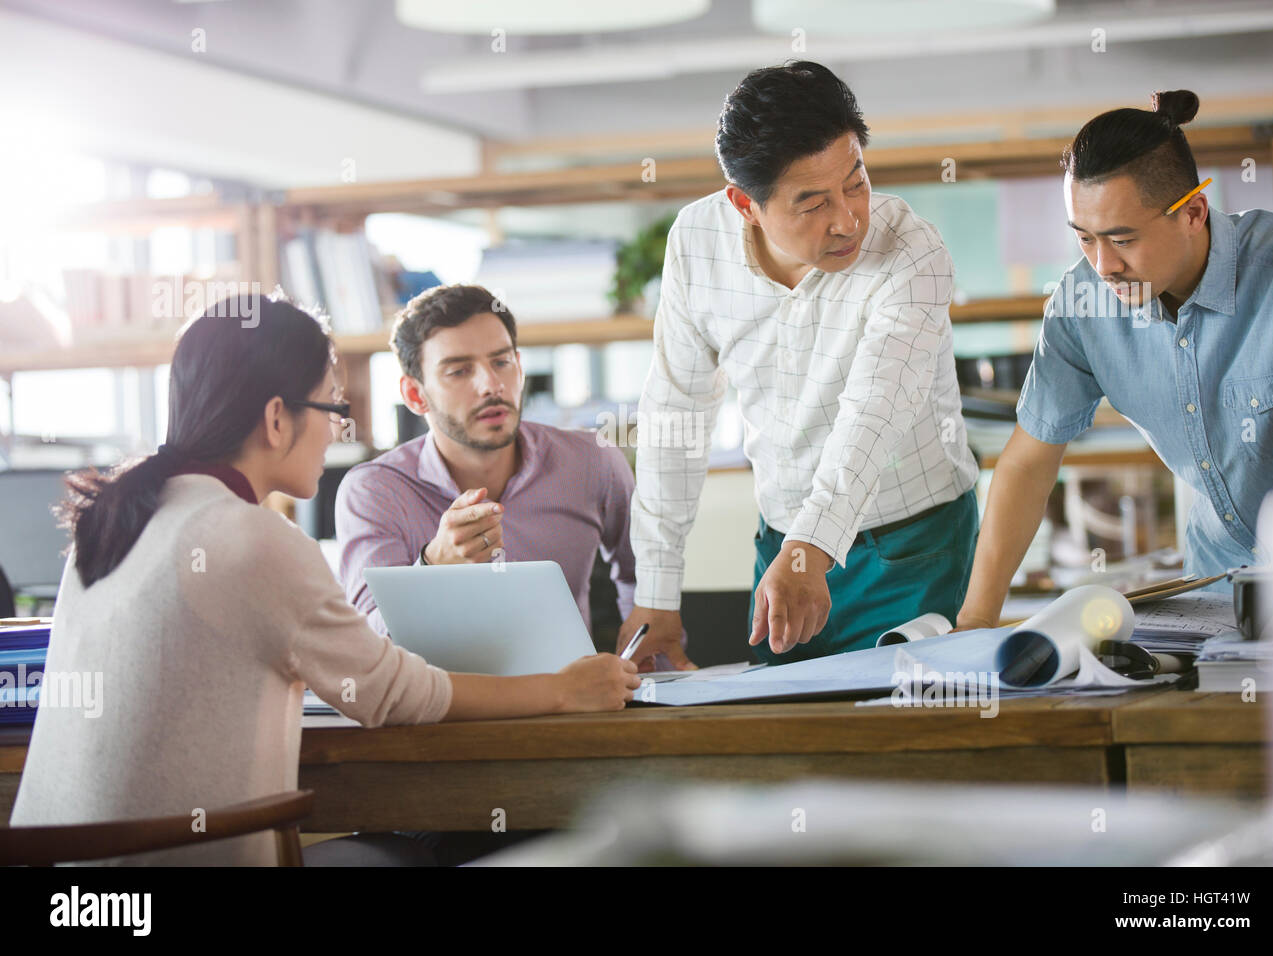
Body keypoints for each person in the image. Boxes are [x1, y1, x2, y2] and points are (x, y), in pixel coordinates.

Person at [9, 293, 638, 865]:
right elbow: (391, 694)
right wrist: (560, 690)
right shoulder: (250, 537)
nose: (339, 427)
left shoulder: (116, 517)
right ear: (277, 418)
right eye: (334, 406)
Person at [619, 60, 980, 667]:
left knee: (916, 743)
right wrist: (656, 593)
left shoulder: (912, 253)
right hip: (785, 545)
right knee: (789, 744)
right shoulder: (696, 242)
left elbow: (877, 408)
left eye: (856, 181)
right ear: (745, 204)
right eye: (811, 203)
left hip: (914, 546)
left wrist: (811, 548)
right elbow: (676, 411)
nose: (847, 219)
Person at [957, 90, 1273, 629]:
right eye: (1085, 239)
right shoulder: (1081, 306)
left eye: (1122, 239)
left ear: (1193, 212)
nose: (1103, 265)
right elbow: (1028, 463)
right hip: (1218, 594)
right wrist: (975, 620)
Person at [333, 284, 676, 663]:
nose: (491, 386)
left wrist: (652, 678)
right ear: (416, 396)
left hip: (573, 708)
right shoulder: (374, 492)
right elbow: (367, 651)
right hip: (439, 716)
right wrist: (433, 568)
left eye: (501, 362)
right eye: (459, 371)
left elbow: (642, 575)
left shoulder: (592, 461)